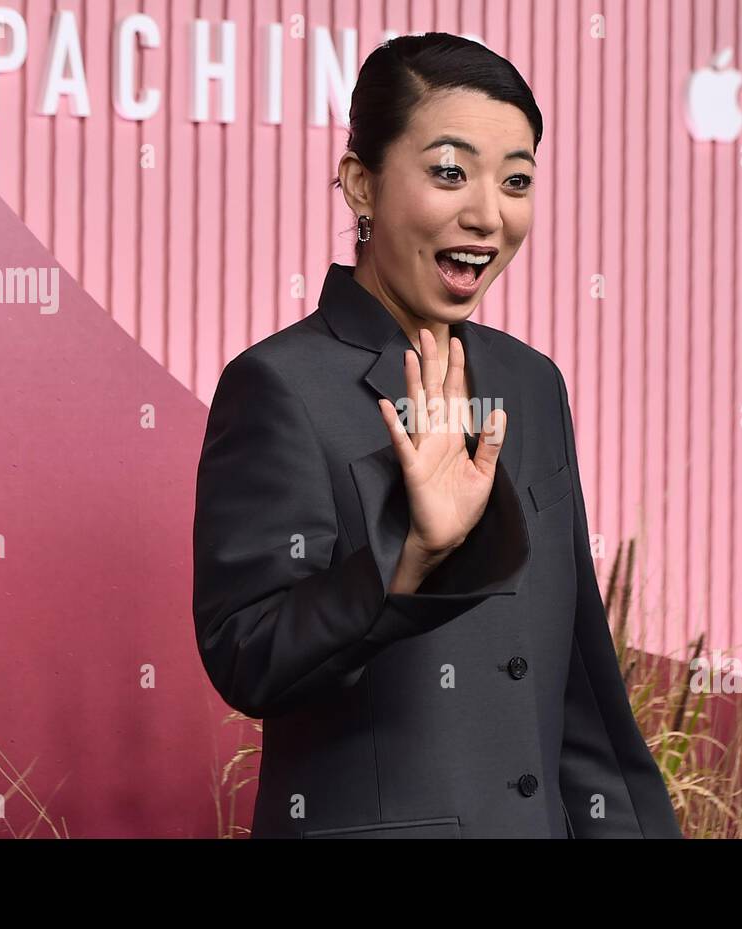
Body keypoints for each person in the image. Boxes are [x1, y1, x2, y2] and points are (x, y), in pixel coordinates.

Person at [192, 31, 684, 839]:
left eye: (516, 180)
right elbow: (249, 654)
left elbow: (581, 682)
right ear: (361, 185)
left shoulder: (532, 382)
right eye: (449, 172)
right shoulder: (281, 386)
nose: (488, 214)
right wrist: (410, 554)